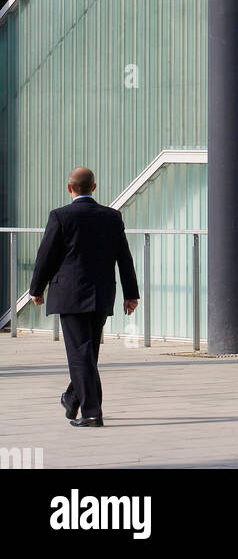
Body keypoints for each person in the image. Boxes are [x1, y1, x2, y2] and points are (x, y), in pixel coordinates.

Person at [29, 167, 140, 427]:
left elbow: (46, 256)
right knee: (88, 352)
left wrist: (37, 289)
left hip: (70, 295)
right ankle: (71, 397)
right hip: (101, 294)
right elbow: (124, 258)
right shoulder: (112, 217)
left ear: (70, 189)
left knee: (80, 354)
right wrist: (131, 294)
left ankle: (91, 413)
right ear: (94, 187)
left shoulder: (60, 216)